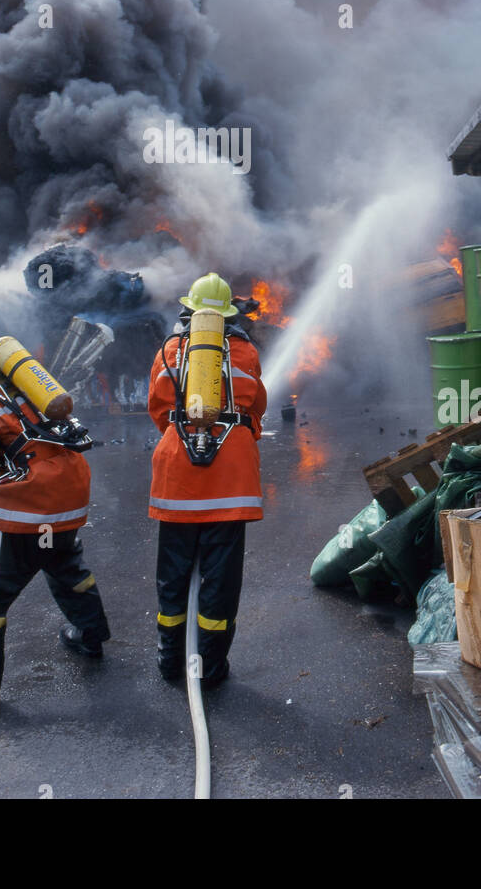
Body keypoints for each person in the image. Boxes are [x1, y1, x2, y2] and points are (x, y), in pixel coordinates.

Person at [0, 323, 111, 705]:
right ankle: (90, 635)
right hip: (68, 497)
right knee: (64, 564)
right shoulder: (29, 387)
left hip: (31, 507)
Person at [146, 274, 266, 687]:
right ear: (229, 314)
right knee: (220, 577)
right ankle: (210, 668)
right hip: (229, 477)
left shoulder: (170, 351)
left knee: (174, 572)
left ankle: (170, 661)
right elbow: (255, 410)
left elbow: (159, 410)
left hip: (178, 475)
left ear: (189, 310)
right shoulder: (246, 352)